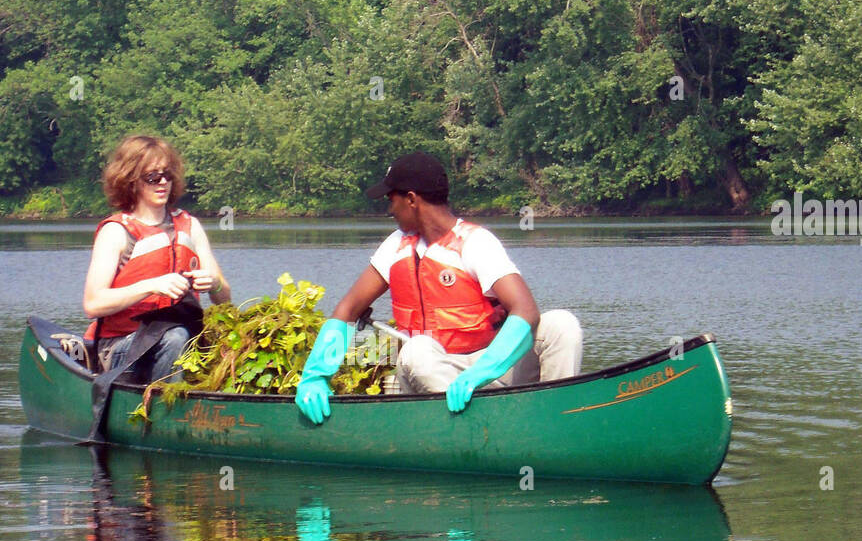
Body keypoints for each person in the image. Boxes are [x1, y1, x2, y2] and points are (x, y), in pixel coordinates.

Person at [295, 152, 581, 424]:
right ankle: (469, 430)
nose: (389, 209)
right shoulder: (396, 245)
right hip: (435, 377)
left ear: (410, 200)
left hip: (490, 370)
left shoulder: (475, 242)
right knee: (415, 349)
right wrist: (316, 375)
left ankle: (555, 419)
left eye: (390, 199)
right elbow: (348, 309)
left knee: (561, 325)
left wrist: (482, 372)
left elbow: (526, 311)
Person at [82, 135, 231, 382]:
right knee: (174, 337)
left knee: (185, 337)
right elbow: (93, 304)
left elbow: (224, 298)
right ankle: (164, 407)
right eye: (152, 177)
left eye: (167, 175)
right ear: (131, 181)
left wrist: (214, 284)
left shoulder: (190, 226)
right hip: (121, 346)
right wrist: (152, 285)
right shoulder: (117, 231)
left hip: (182, 339)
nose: (162, 183)